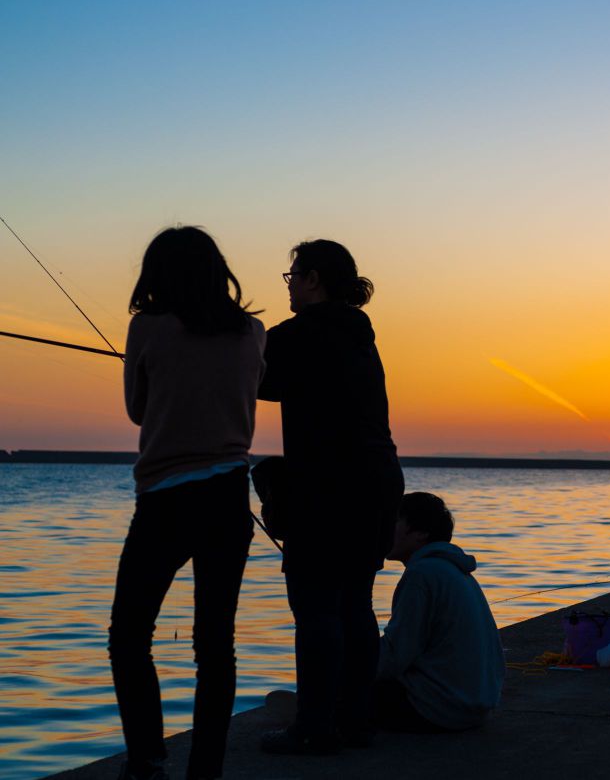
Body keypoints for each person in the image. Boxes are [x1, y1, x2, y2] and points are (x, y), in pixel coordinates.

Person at [109, 226, 266, 780]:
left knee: (129, 635)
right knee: (214, 645)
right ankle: (206, 771)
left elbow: (136, 409)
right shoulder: (253, 331)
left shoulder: (146, 328)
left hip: (166, 499)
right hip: (228, 497)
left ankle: (148, 760)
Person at [258, 240, 405, 754]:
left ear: (314, 278)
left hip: (328, 485)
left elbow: (249, 371)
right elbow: (270, 381)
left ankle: (314, 728)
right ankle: (354, 721)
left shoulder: (301, 334)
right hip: (378, 480)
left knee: (316, 606)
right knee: (355, 604)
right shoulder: (357, 332)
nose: (291, 284)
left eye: (293, 275)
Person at [374, 492, 504, 732]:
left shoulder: (421, 575)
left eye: (393, 522)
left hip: (441, 708)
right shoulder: (454, 570)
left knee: (343, 689)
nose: (383, 529)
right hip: (476, 706)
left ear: (421, 532)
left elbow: (395, 657)